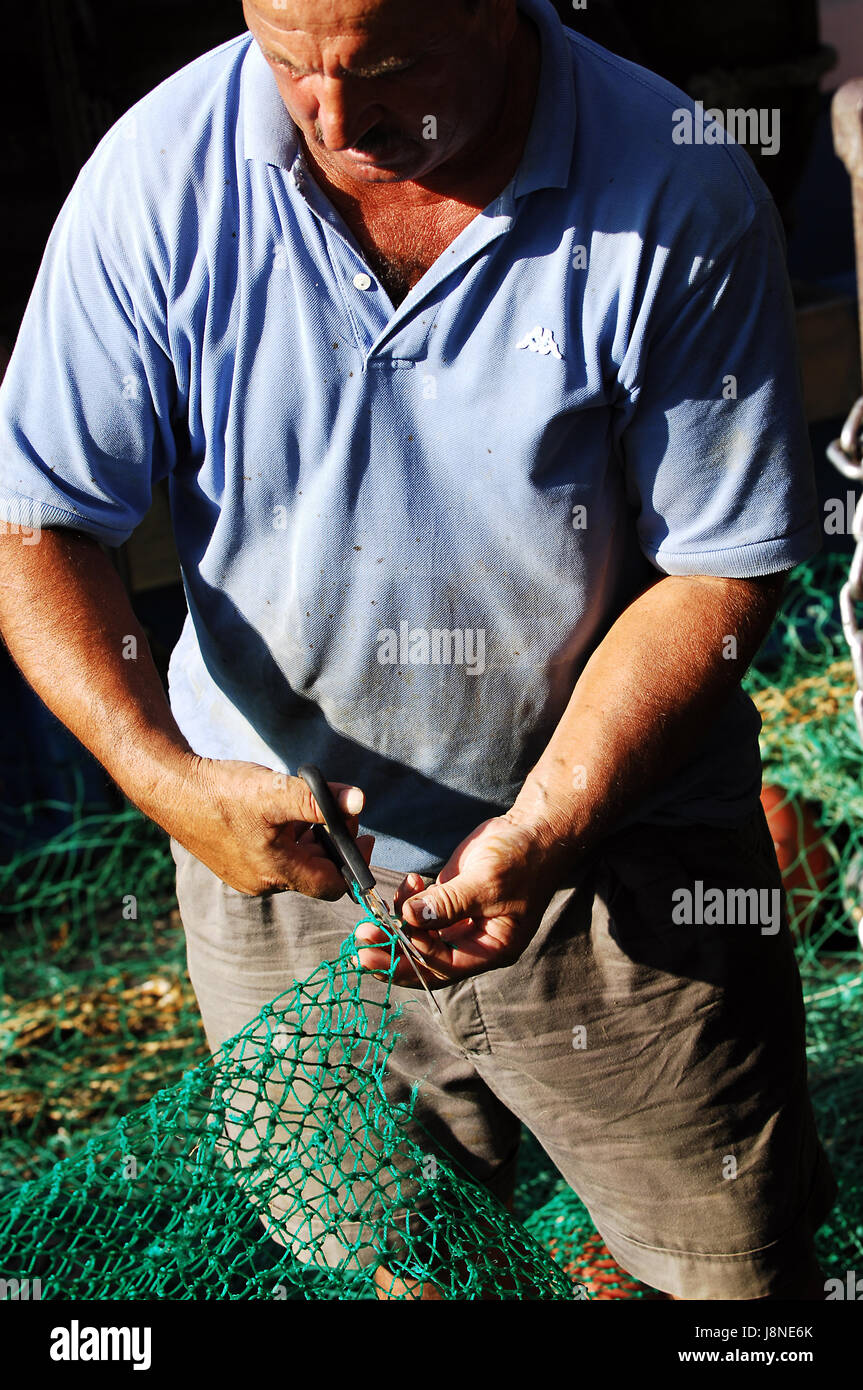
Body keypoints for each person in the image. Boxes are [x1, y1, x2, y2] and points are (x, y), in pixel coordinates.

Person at [0, 0, 836, 1299]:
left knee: (722, 1272)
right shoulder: (156, 182)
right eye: (289, 61)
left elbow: (718, 568)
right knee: (386, 1267)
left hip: (617, 876)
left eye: (384, 68)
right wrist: (164, 778)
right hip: (277, 884)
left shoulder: (673, 189)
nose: (328, 120)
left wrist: (551, 820)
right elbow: (36, 526)